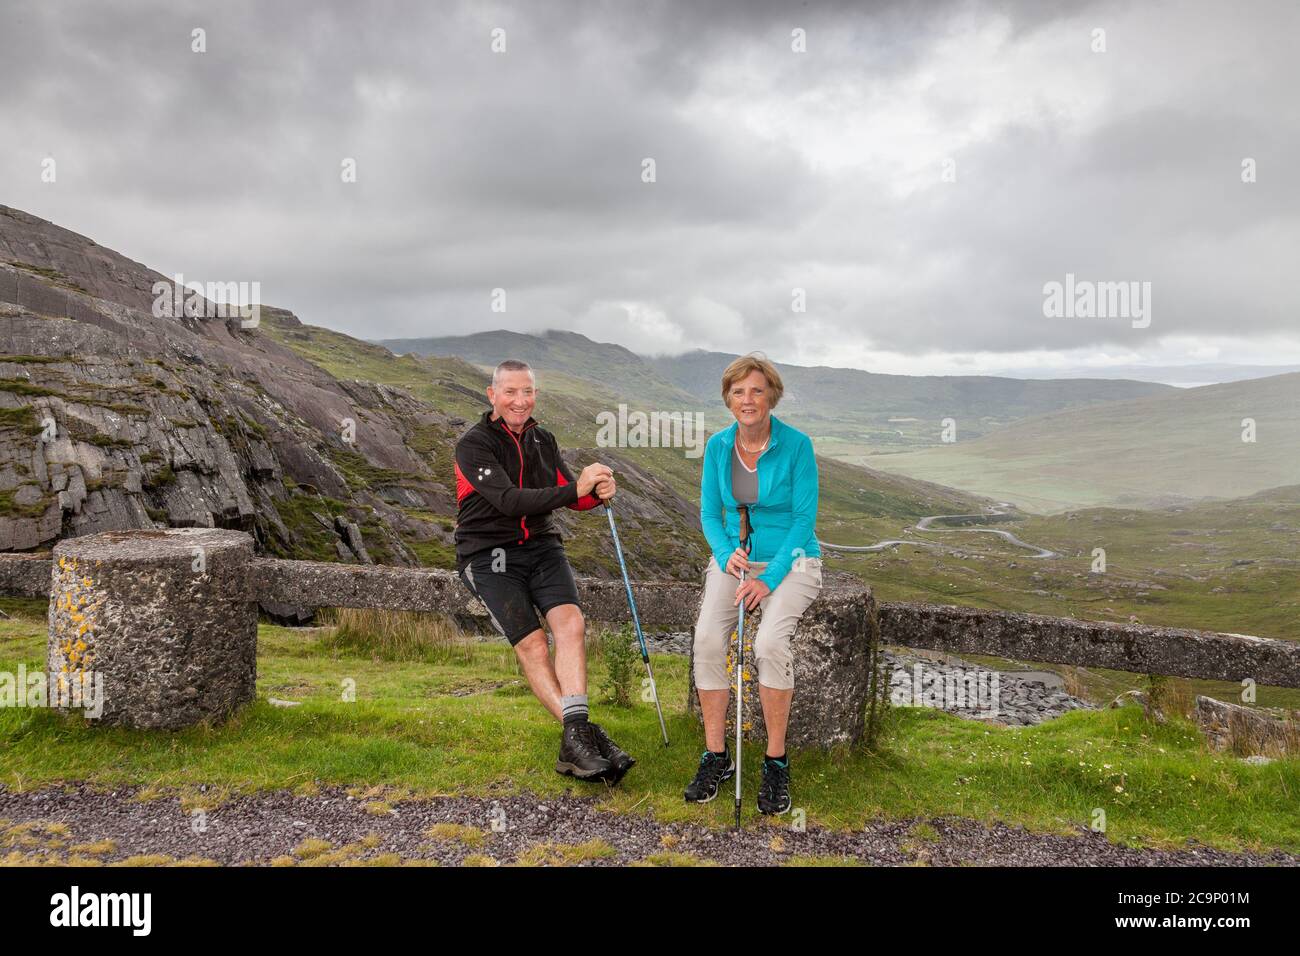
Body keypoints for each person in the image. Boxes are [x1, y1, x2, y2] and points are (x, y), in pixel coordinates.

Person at [454, 359, 634, 783]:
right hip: (489, 554)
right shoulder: (473, 444)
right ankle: (586, 737)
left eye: (528, 391)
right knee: (534, 645)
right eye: (511, 392)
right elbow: (510, 500)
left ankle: (577, 744)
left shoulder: (543, 439)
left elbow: (571, 496)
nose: (520, 401)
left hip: (541, 548)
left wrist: (596, 492)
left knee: (571, 625)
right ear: (492, 395)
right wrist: (577, 487)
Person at [685, 353, 822, 814]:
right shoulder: (718, 447)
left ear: (772, 397)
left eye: (757, 390)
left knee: (768, 645)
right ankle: (716, 756)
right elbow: (708, 514)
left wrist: (770, 580)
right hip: (736, 561)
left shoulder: (797, 445)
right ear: (728, 399)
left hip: (794, 560)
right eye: (739, 391)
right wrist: (726, 556)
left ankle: (776, 761)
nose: (748, 399)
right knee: (706, 639)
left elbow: (804, 521)